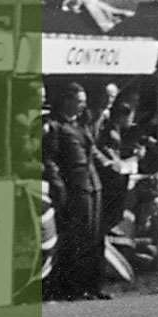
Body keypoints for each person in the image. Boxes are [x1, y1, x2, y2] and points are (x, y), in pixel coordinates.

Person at [43, 83, 106, 300]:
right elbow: (50, 160)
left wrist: (107, 164)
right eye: (79, 101)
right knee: (79, 237)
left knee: (95, 236)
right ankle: (75, 286)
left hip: (92, 183)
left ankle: (93, 284)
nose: (83, 105)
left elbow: (91, 151)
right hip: (75, 186)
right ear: (67, 101)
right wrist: (58, 186)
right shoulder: (55, 126)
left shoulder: (81, 125)